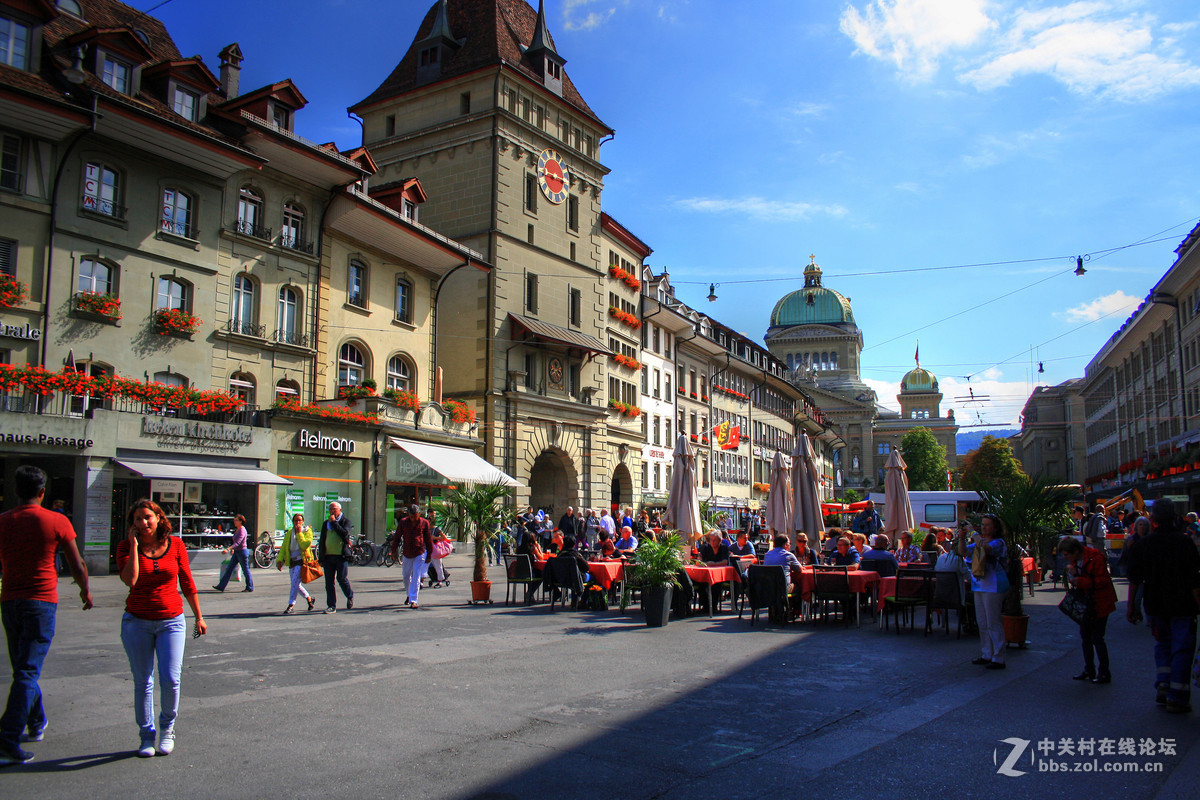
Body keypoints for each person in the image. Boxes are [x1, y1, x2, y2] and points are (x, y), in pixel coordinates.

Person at [0, 466, 92, 765]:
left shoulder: (3, 521)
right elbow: (76, 563)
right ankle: (8, 738)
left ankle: (36, 722)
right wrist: (85, 591)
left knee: (23, 669)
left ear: (16, 491)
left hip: (10, 600)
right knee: (27, 671)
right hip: (41, 602)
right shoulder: (57, 520)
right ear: (43, 492)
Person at [117, 498, 207, 757]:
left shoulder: (176, 544)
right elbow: (130, 580)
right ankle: (146, 735)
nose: (143, 522)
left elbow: (187, 582)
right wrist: (134, 546)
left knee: (170, 679)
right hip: (137, 622)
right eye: (137, 519)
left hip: (172, 621)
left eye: (148, 517)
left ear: (159, 518)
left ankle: (167, 728)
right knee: (143, 681)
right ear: (132, 525)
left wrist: (198, 616)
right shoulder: (125, 547)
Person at [1125, 498, 1200, 713]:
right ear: (1175, 517)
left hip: (1155, 603)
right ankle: (1177, 694)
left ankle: (1164, 685)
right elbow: (1195, 578)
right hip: (1183, 603)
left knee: (1163, 644)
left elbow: (1135, 579)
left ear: (1153, 519)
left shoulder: (1145, 544)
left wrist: (1132, 607)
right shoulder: (1185, 542)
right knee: (1182, 647)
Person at [1059, 536, 1117, 684]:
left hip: (1099, 602)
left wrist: (1081, 581)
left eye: (1067, 555)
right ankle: (1089, 669)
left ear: (1076, 551)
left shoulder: (1095, 558)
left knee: (1097, 637)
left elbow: (1103, 581)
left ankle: (1104, 672)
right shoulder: (1077, 560)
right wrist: (1073, 575)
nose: (1066, 558)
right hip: (1086, 602)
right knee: (1085, 636)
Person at [962, 513, 1009, 670]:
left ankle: (999, 656)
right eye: (982, 524)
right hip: (979, 585)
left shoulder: (998, 542)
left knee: (993, 621)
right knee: (982, 621)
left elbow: (985, 547)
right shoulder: (978, 542)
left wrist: (972, 533)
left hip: (994, 585)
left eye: (987, 525)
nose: (984, 527)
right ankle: (986, 653)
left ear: (995, 528)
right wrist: (962, 538)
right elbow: (963, 552)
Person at [318, 501, 354, 613]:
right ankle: (331, 605)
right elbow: (322, 539)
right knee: (329, 582)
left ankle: (349, 595)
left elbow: (344, 534)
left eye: (334, 509)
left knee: (341, 578)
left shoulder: (345, 521)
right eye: (330, 509)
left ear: (340, 510)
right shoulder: (326, 524)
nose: (332, 511)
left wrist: (334, 523)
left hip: (341, 556)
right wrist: (321, 557)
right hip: (328, 556)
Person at [275, 513, 316, 614]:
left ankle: (291, 605)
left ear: (302, 522)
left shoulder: (307, 531)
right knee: (296, 585)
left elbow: (305, 545)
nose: (297, 523)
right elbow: (284, 547)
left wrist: (299, 534)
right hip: (292, 561)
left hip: (302, 561)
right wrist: (279, 560)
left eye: (299, 520)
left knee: (294, 583)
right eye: (295, 521)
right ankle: (309, 599)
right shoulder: (289, 533)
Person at [395, 504, 432, 610]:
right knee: (406, 576)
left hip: (419, 552)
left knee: (416, 575)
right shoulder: (403, 523)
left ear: (419, 514)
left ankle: (414, 600)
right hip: (407, 553)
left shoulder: (424, 523)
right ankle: (409, 594)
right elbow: (397, 537)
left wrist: (429, 553)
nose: (413, 519)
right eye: (411, 516)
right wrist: (394, 551)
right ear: (408, 515)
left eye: (415, 516)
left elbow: (428, 540)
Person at [1117, 516, 1150, 618]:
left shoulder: (1150, 539)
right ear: (1136, 526)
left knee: (1149, 597)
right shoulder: (1131, 539)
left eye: (1144, 525)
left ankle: (1149, 617)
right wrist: (1128, 547)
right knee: (1137, 597)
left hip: (1148, 571)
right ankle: (1136, 612)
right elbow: (1125, 555)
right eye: (1140, 525)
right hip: (1136, 571)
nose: (1142, 527)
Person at [211, 513, 253, 593]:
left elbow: (238, 542)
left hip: (242, 552)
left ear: (241, 521)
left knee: (245, 570)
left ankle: (249, 587)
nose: (234, 522)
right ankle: (221, 586)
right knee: (229, 569)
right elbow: (235, 543)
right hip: (237, 552)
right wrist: (233, 549)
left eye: (236, 520)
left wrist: (228, 549)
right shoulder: (237, 529)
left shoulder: (242, 530)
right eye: (234, 520)